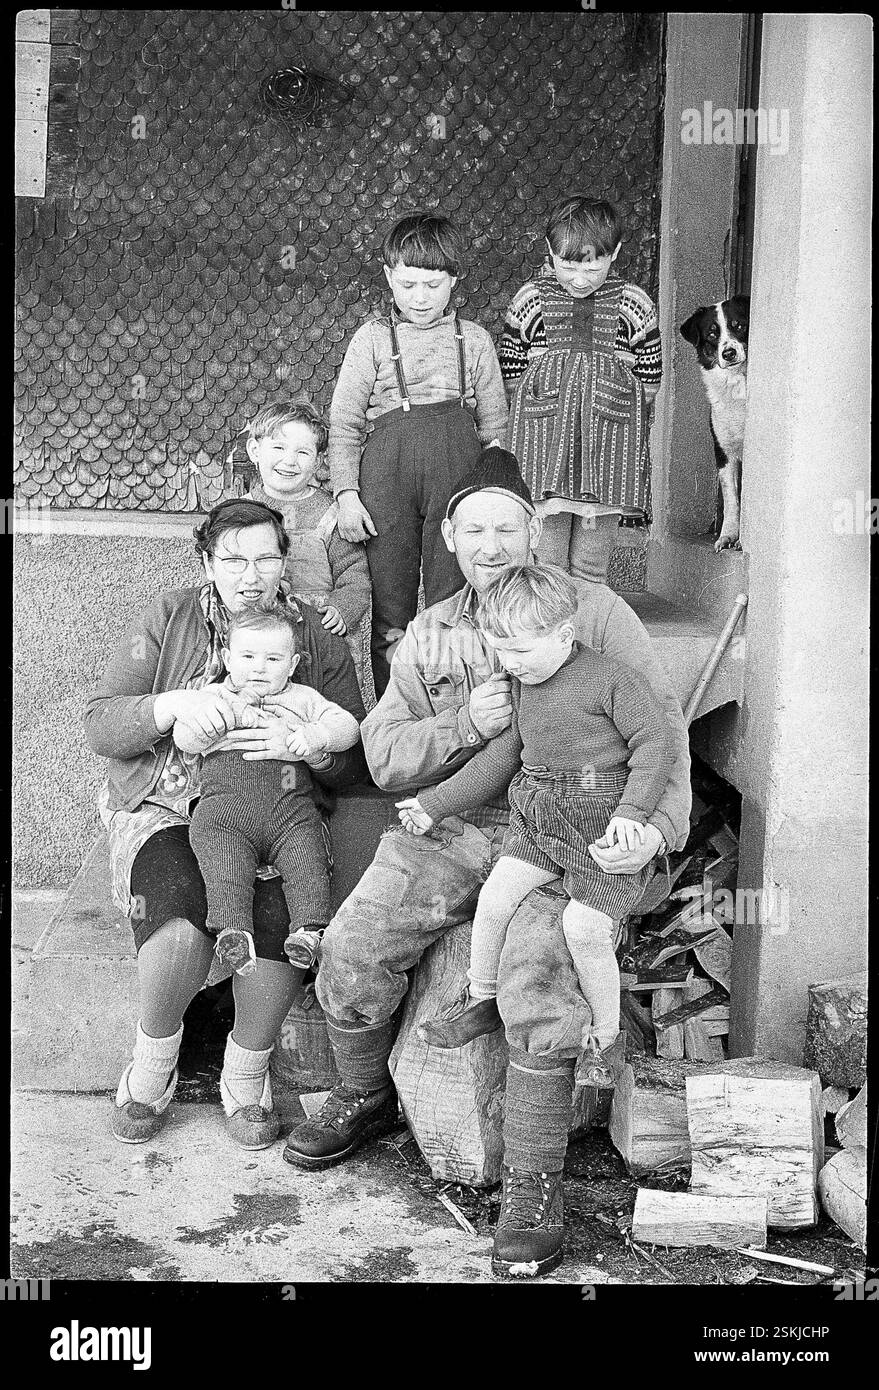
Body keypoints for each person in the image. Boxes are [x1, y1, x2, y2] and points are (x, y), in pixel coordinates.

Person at [281, 446, 691, 1279]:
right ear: (449, 536)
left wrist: (654, 829)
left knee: (540, 964)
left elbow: (664, 731)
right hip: (466, 819)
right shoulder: (432, 628)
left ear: (534, 529)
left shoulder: (594, 610)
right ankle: (364, 1096)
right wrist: (466, 723)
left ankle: (535, 1184)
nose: (492, 543)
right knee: (355, 939)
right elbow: (386, 756)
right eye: (474, 528)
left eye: (508, 525)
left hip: (577, 830)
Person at [83, 499, 367, 1152]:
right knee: (179, 925)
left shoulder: (315, 638)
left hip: (278, 814)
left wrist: (313, 746)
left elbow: (354, 763)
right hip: (167, 809)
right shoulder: (170, 616)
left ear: (282, 560)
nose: (250, 573)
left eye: (265, 556)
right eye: (232, 558)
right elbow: (102, 724)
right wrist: (169, 705)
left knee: (275, 921)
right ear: (207, 563)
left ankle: (245, 1075)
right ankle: (153, 1065)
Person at [398, 563, 675, 1088]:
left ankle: (604, 1039)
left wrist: (633, 816)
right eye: (500, 649)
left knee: (583, 929)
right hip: (541, 821)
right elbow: (501, 758)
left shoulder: (613, 680)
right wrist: (434, 803)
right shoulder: (523, 685)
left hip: (603, 829)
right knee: (496, 896)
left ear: (564, 635)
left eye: (521, 650)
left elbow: (655, 747)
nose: (510, 663)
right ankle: (480, 998)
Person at [328, 210, 508, 696]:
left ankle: (456, 707)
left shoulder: (474, 340)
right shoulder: (371, 339)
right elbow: (343, 423)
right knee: (392, 605)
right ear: (389, 276)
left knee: (455, 598)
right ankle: (395, 711)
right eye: (407, 285)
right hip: (386, 482)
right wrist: (346, 494)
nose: (419, 298)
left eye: (432, 285)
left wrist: (491, 500)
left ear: (455, 279)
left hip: (459, 480)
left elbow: (494, 431)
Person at [177, 603, 360, 977]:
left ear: (292, 665)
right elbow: (185, 739)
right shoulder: (213, 697)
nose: (259, 667)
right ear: (228, 658)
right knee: (224, 865)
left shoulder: (303, 698)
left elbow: (349, 726)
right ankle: (234, 932)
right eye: (248, 656)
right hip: (226, 815)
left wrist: (315, 735)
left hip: (290, 815)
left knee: (308, 858)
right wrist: (208, 725)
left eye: (273, 658)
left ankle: (308, 932)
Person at [499, 196, 662, 585]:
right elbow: (511, 371)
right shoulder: (529, 300)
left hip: (607, 454)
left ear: (616, 252)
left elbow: (650, 378)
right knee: (547, 565)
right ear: (549, 251)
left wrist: (604, 405)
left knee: (590, 570)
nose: (579, 278)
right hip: (542, 455)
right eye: (567, 264)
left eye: (593, 265)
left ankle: (587, 642)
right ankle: (546, 638)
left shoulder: (634, 305)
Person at [241, 399, 371, 690]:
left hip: (322, 625)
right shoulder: (242, 512)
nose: (290, 461)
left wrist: (344, 608)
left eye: (302, 452)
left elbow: (355, 573)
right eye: (278, 448)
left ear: (317, 460)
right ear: (254, 451)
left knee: (325, 697)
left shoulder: (331, 513)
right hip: (262, 621)